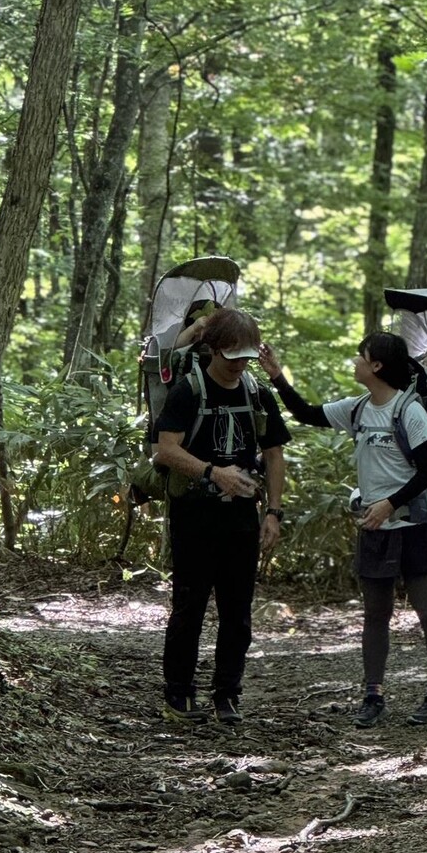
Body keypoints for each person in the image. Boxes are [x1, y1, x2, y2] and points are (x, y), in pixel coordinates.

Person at [257, 333, 427, 728]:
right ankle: (373, 695)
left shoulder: (408, 411)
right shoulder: (359, 409)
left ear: (376, 366)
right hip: (374, 526)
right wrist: (276, 375)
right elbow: (307, 413)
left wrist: (389, 504)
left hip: (412, 525)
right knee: (375, 614)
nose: (355, 361)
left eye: (360, 356)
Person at [154, 306, 291, 725]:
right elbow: (166, 449)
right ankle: (178, 695)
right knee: (189, 607)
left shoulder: (256, 394)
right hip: (194, 515)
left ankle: (227, 695)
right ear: (213, 349)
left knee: (238, 612)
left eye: (246, 358)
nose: (239, 365)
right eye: (232, 356)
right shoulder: (189, 391)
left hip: (241, 521)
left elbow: (274, 454)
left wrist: (273, 512)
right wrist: (215, 473)